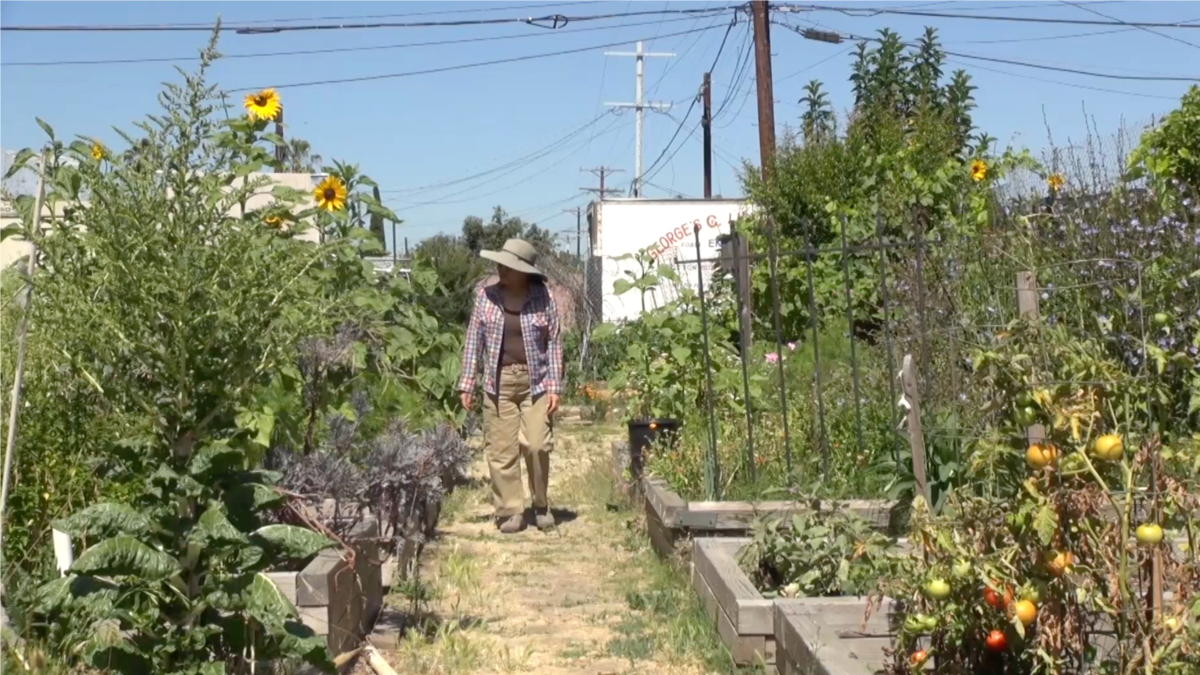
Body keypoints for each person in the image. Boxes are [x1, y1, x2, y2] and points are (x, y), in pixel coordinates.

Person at [457, 238, 563, 534]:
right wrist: (467, 383)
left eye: (508, 265)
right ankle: (510, 510)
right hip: (498, 382)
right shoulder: (486, 296)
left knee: (537, 444)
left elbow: (554, 343)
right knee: (501, 449)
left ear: (523, 271)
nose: (501, 269)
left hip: (536, 383)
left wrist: (554, 386)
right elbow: (473, 341)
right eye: (500, 264)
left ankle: (540, 505)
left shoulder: (544, 298)